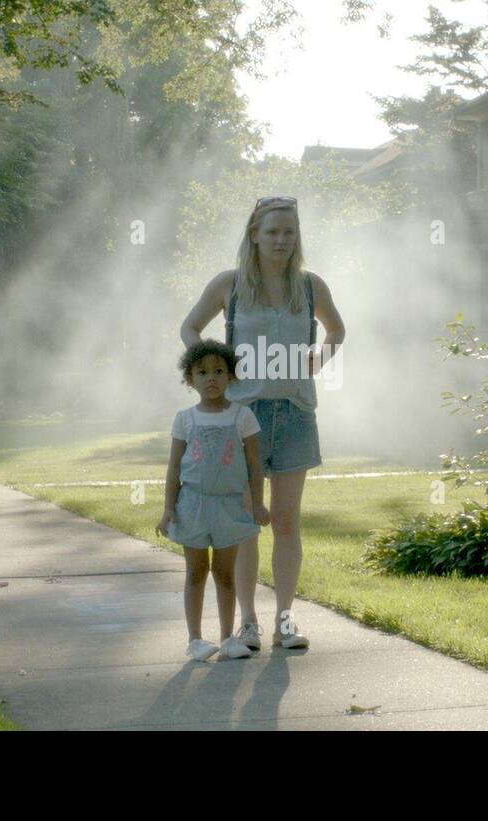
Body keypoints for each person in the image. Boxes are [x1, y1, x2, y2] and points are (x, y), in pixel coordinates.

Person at [179, 195, 346, 651]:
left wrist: (318, 359)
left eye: (289, 232)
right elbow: (190, 329)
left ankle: (285, 621)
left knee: (287, 521)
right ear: (254, 234)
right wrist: (213, 373)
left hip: (294, 413)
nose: (281, 240)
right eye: (272, 231)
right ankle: (249, 623)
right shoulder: (229, 285)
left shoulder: (310, 286)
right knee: (247, 522)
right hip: (242, 418)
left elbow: (337, 330)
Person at [156, 340, 272, 661]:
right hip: (192, 506)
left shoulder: (242, 417)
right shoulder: (185, 419)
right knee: (196, 572)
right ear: (189, 379)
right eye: (202, 372)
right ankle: (195, 640)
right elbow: (174, 467)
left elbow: (253, 465)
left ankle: (227, 638)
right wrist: (168, 510)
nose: (211, 378)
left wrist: (259, 504)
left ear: (231, 376)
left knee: (224, 573)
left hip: (230, 507)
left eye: (219, 371)